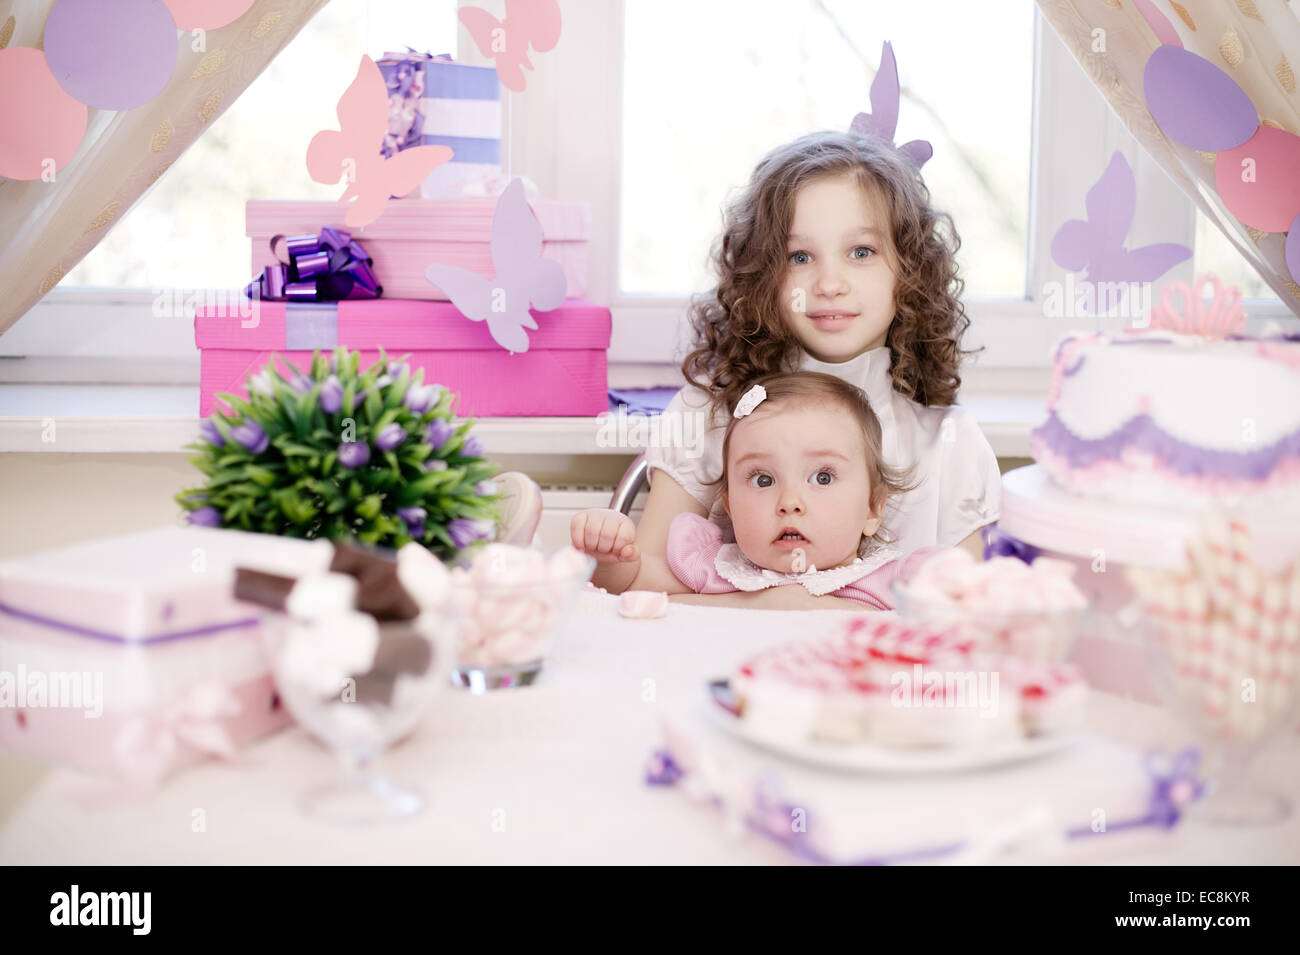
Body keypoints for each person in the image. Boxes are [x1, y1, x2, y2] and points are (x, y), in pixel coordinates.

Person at [597, 130, 1000, 607]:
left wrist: (809, 611)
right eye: (800, 257)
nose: (830, 283)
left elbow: (968, 625)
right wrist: (778, 605)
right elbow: (640, 596)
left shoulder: (951, 447)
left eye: (861, 252)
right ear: (764, 274)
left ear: (909, 269)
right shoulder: (705, 413)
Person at [572, 372, 945, 610]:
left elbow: (959, 632)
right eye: (763, 480)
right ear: (730, 507)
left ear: (872, 509)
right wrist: (609, 557)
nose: (790, 503)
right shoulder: (714, 569)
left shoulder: (898, 584)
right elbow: (631, 586)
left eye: (823, 478)